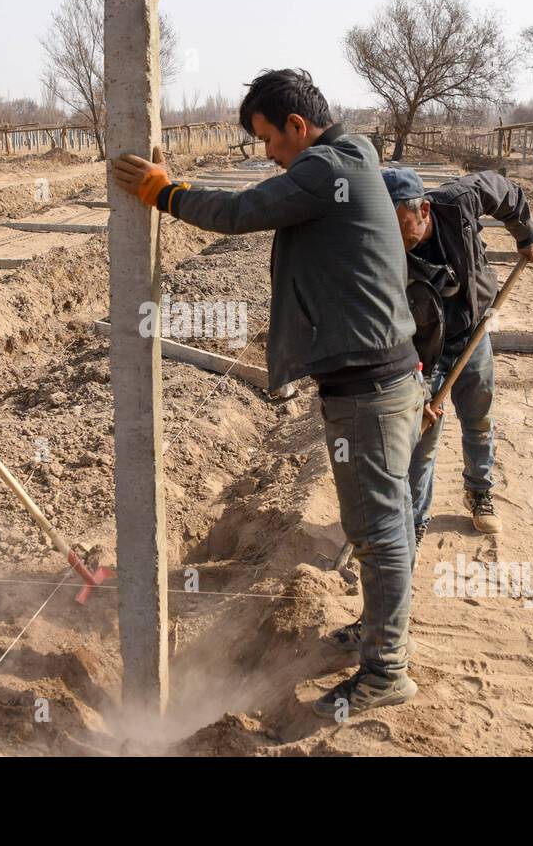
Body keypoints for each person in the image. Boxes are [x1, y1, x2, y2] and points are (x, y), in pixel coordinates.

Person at [113, 69, 423, 718]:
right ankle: (377, 636)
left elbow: (238, 213)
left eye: (268, 139)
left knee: (378, 531)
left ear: (296, 127)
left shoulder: (320, 169)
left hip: (368, 388)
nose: (268, 154)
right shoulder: (351, 157)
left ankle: (387, 669)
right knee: (381, 523)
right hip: (376, 379)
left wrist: (165, 194)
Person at [386, 168, 533, 544]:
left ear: (424, 209)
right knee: (421, 442)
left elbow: (506, 191)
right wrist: (411, 388)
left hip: (472, 334)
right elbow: (382, 330)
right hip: (422, 352)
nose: (391, 237)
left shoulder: (459, 202)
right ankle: (414, 522)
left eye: (401, 225)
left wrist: (527, 233)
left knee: (478, 418)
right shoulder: (379, 252)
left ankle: (479, 491)